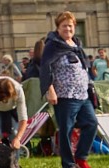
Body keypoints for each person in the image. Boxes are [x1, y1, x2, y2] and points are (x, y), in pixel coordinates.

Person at [41, 11, 99, 168]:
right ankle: (68, 164)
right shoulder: (52, 45)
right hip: (65, 95)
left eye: (71, 25)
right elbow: (46, 67)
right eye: (64, 26)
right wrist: (49, 89)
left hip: (82, 94)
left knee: (91, 123)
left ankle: (81, 157)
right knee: (66, 130)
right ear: (58, 28)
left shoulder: (76, 44)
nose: (68, 29)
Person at [0, 73, 28, 149]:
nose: (4, 102)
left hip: (13, 109)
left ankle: (15, 160)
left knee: (15, 133)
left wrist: (17, 139)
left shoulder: (18, 90)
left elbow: (23, 117)